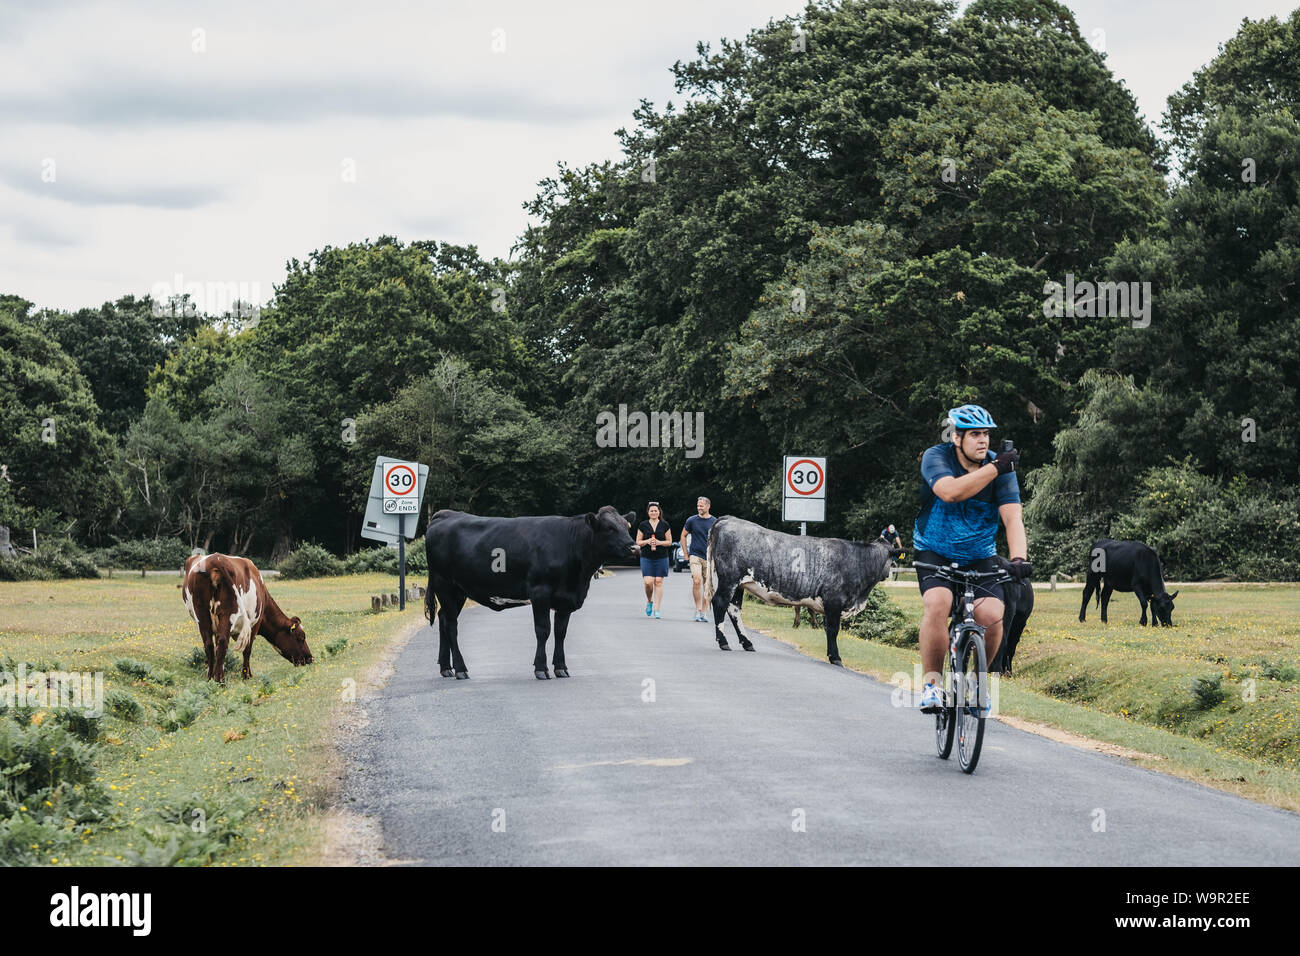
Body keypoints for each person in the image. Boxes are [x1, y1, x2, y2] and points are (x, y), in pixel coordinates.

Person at [913, 404, 1031, 713]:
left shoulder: (1000, 469)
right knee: (937, 603)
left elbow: (1013, 518)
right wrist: (996, 468)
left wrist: (1019, 558)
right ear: (956, 438)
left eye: (987, 435)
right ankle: (932, 686)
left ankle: (977, 683)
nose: (983, 441)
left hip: (980, 555)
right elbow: (950, 492)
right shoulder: (936, 457)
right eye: (975, 434)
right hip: (935, 549)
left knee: (992, 614)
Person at [681, 496, 718, 622]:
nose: (699, 508)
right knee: (696, 580)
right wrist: (686, 553)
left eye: (701, 505)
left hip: (709, 557)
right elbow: (683, 535)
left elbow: (718, 540)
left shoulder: (714, 522)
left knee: (707, 585)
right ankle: (698, 610)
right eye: (698, 506)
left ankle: (704, 611)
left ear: (708, 506)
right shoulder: (692, 520)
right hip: (695, 555)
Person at [636, 501, 672, 619]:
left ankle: (657, 609)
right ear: (648, 512)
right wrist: (647, 541)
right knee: (648, 582)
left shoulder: (664, 525)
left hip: (661, 557)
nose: (653, 512)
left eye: (655, 510)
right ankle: (650, 601)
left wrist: (659, 542)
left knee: (658, 581)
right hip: (647, 557)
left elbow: (669, 542)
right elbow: (638, 542)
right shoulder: (643, 525)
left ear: (659, 512)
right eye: (651, 511)